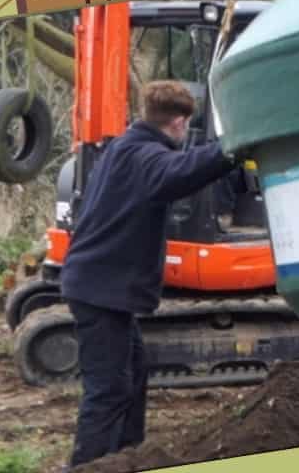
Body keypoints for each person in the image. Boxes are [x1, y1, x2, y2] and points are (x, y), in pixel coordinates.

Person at [59, 80, 239, 469]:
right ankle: (89, 465)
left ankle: (128, 456)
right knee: (107, 390)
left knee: (134, 372)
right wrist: (234, 148)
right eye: (185, 128)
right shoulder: (145, 157)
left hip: (99, 284)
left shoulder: (124, 147)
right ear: (177, 123)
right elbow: (181, 172)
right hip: (100, 288)